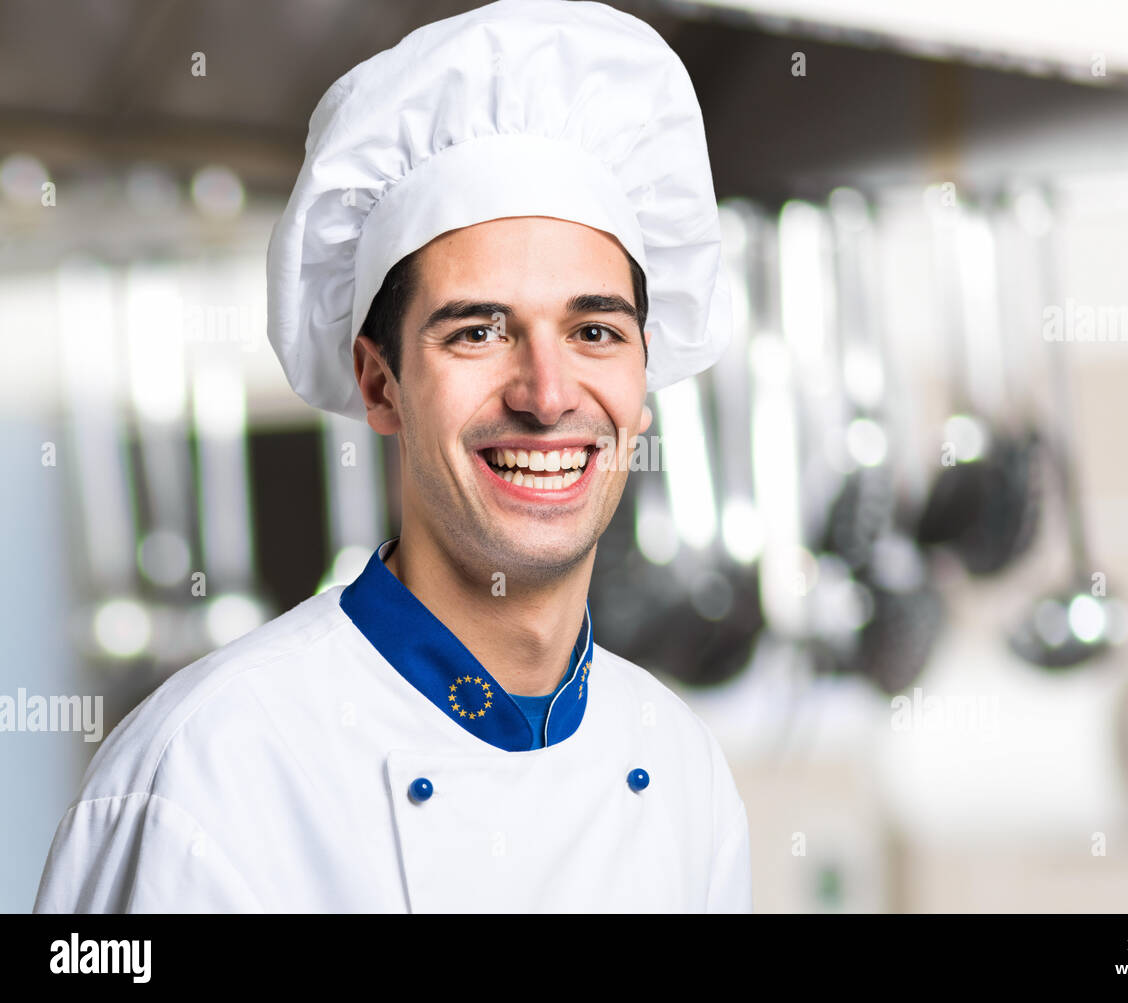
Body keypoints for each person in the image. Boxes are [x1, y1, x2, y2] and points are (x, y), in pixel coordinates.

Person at [33, 0, 750, 912]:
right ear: (380, 385)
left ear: (642, 384)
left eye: (595, 329)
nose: (548, 393)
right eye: (479, 331)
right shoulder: (205, 776)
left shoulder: (682, 773)